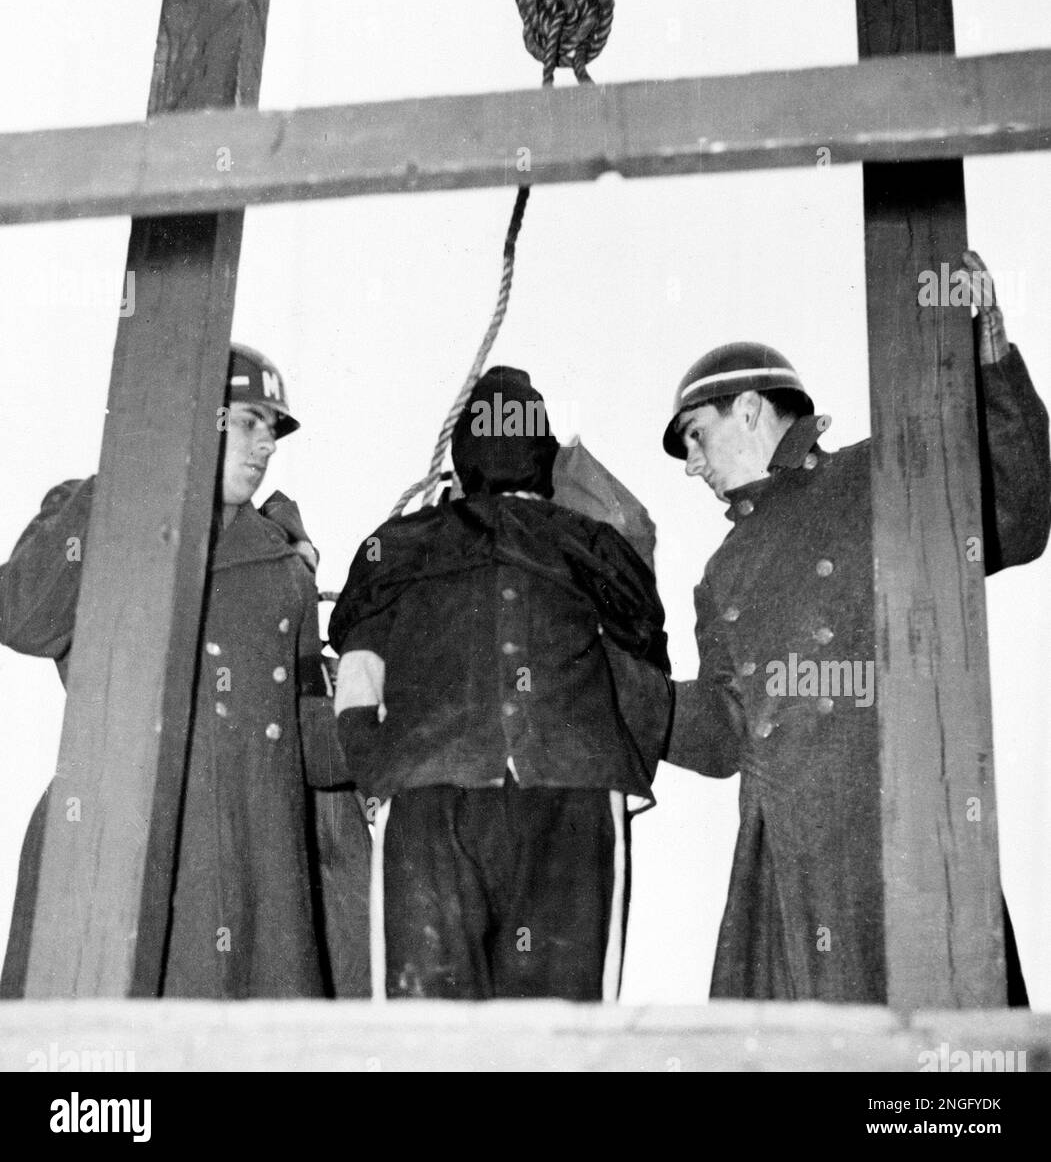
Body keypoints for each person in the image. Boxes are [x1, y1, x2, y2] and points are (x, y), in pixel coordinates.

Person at [662, 252, 1050, 1003]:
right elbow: (721, 735)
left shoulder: (880, 477)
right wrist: (615, 687)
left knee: (936, 1094)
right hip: (786, 871)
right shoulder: (721, 573)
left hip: (900, 837)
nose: (689, 463)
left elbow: (1020, 515)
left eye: (694, 435)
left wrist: (991, 361)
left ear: (748, 410)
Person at [0, 344, 370, 998]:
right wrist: (127, 476)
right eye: (249, 422)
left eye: (273, 430)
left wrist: (385, 709)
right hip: (117, 856)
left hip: (260, 876)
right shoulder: (105, 517)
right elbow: (22, 618)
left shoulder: (284, 570)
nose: (267, 446)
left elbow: (313, 741)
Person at [329, 365, 671, 1001]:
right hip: (570, 795)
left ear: (458, 460)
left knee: (426, 1033)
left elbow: (359, 668)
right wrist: (616, 769)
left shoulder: (398, 545)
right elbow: (643, 672)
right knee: (558, 1033)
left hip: (428, 794)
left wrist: (378, 770)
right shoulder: (592, 543)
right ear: (542, 454)